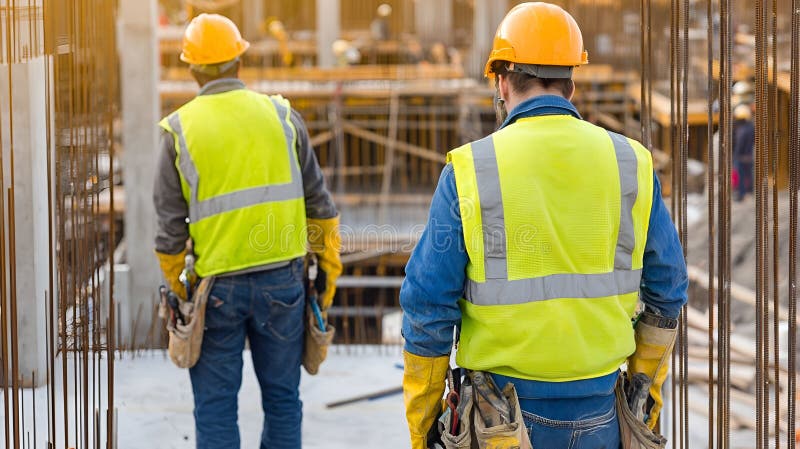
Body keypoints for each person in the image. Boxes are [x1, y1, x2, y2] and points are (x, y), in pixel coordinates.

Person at [399, 3, 688, 448]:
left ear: (501, 82)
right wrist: (642, 388)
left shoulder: (470, 171)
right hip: (602, 413)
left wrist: (425, 430)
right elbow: (668, 288)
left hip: (500, 421)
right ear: (571, 82)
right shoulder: (630, 162)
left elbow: (426, 307)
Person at [153, 13, 342, 449]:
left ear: (192, 70)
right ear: (240, 62)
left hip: (217, 290)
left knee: (216, 408)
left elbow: (167, 236)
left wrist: (181, 295)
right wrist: (327, 279)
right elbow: (321, 209)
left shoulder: (178, 132)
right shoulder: (282, 116)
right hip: (284, 284)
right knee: (282, 401)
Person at [732, 103, 755, 201]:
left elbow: (740, 143)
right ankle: (749, 190)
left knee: (740, 176)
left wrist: (736, 155)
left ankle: (741, 194)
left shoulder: (742, 129)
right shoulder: (751, 127)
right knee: (748, 174)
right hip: (749, 155)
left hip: (741, 156)